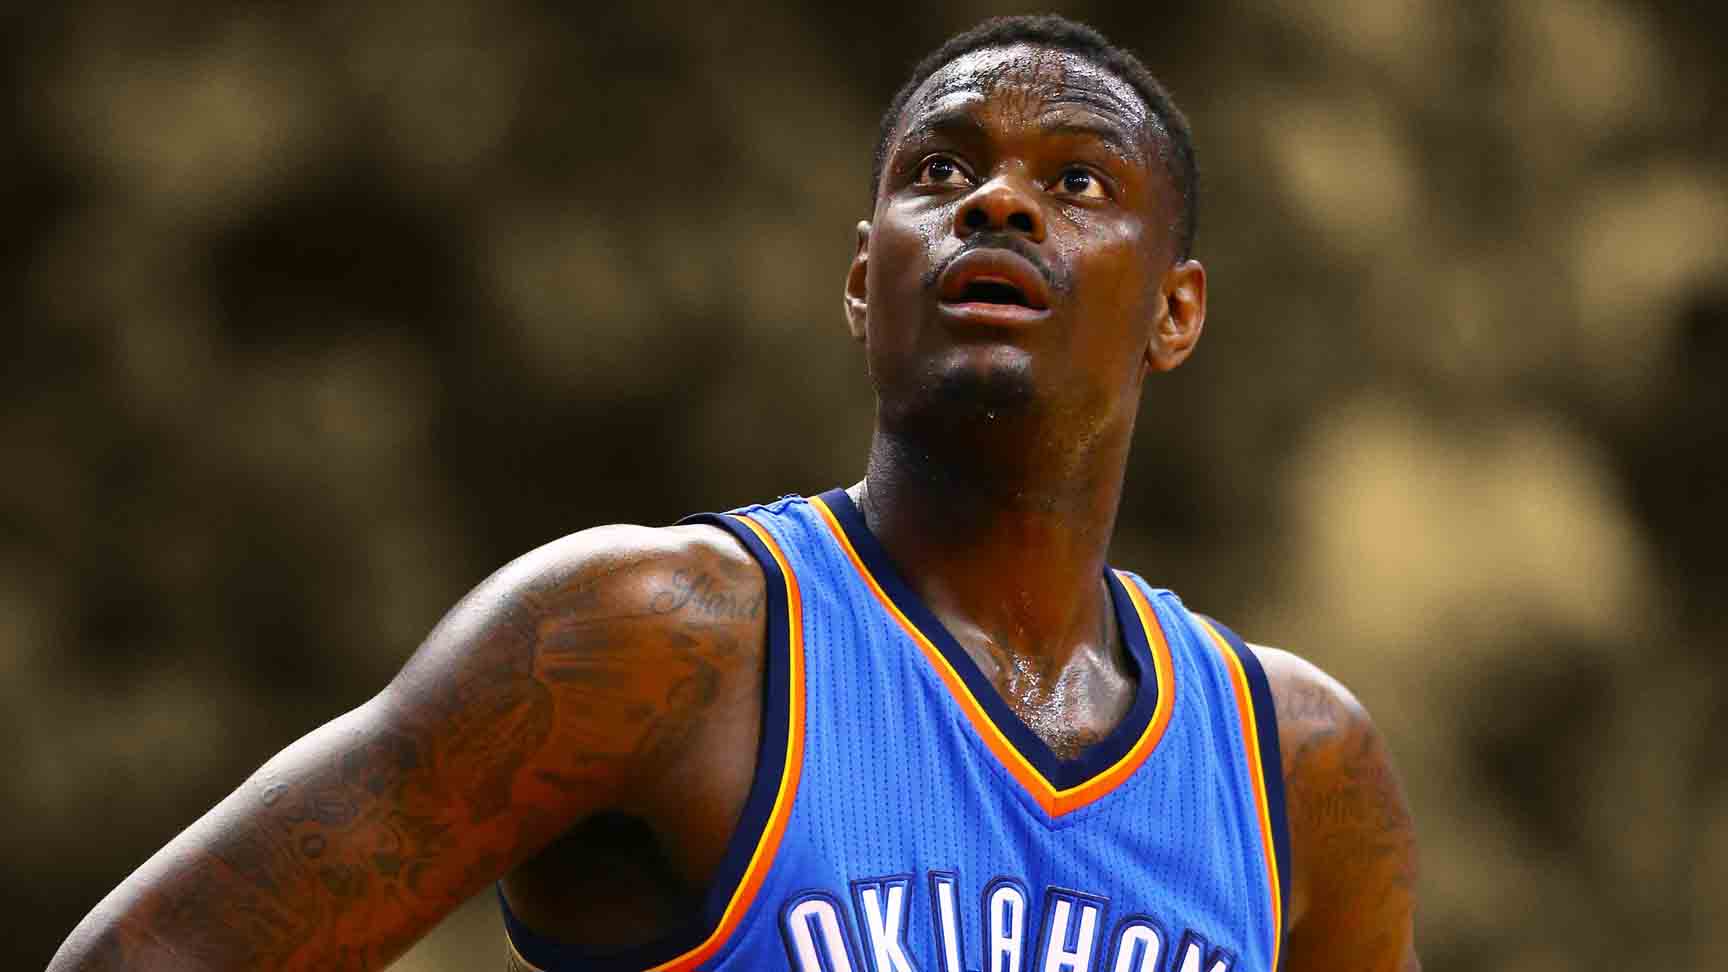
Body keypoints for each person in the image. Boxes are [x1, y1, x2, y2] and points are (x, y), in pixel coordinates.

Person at [48, 14, 1418, 972]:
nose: (998, 203)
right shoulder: (647, 643)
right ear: (863, 279)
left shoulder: (1297, 768)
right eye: (941, 170)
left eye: (1076, 179)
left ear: (1176, 311)